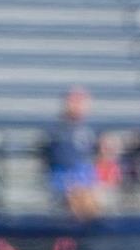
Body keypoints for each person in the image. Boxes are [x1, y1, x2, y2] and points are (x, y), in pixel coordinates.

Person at [43, 87, 103, 221]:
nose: (77, 105)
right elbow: (54, 158)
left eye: (81, 101)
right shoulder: (55, 129)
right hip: (61, 175)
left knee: (89, 197)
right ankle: (79, 233)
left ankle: (89, 232)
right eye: (73, 101)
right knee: (76, 194)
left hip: (85, 174)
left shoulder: (94, 128)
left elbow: (101, 155)